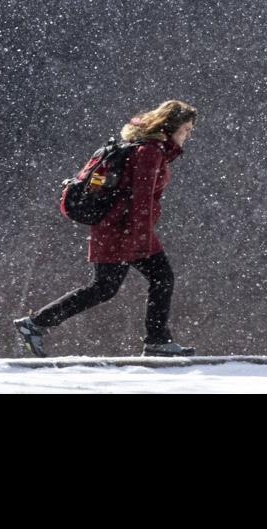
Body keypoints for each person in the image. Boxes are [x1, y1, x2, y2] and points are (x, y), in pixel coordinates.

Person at [15, 100, 198, 357]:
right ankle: (156, 340)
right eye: (186, 129)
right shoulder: (150, 152)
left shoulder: (147, 148)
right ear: (170, 126)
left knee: (108, 287)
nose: (188, 134)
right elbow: (140, 200)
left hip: (118, 227)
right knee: (154, 279)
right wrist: (140, 239)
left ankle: (36, 324)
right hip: (123, 229)